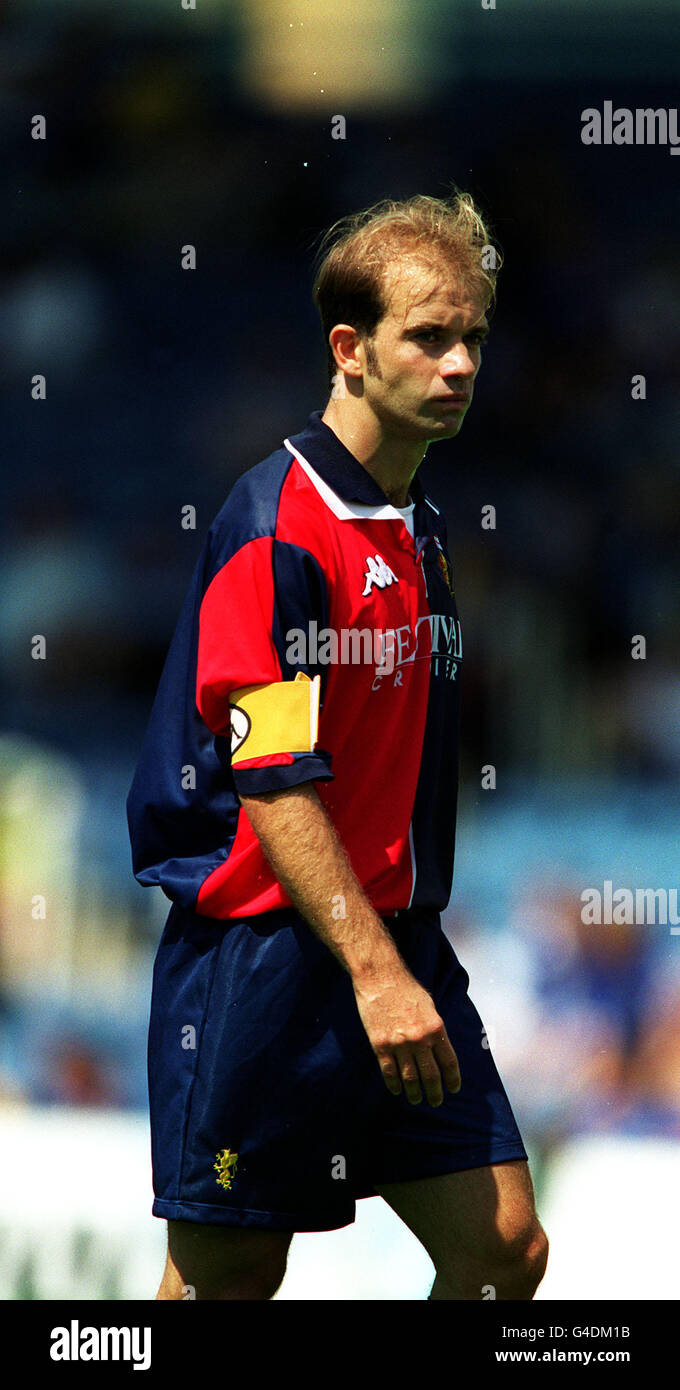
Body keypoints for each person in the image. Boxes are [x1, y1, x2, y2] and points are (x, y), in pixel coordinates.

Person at [126, 192, 548, 1300]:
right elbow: (269, 777)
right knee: (228, 1277)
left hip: (396, 939)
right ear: (349, 350)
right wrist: (370, 973)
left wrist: (392, 957)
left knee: (502, 1251)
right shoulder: (274, 526)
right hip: (268, 954)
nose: (459, 365)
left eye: (472, 339)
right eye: (428, 337)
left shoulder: (420, 524)